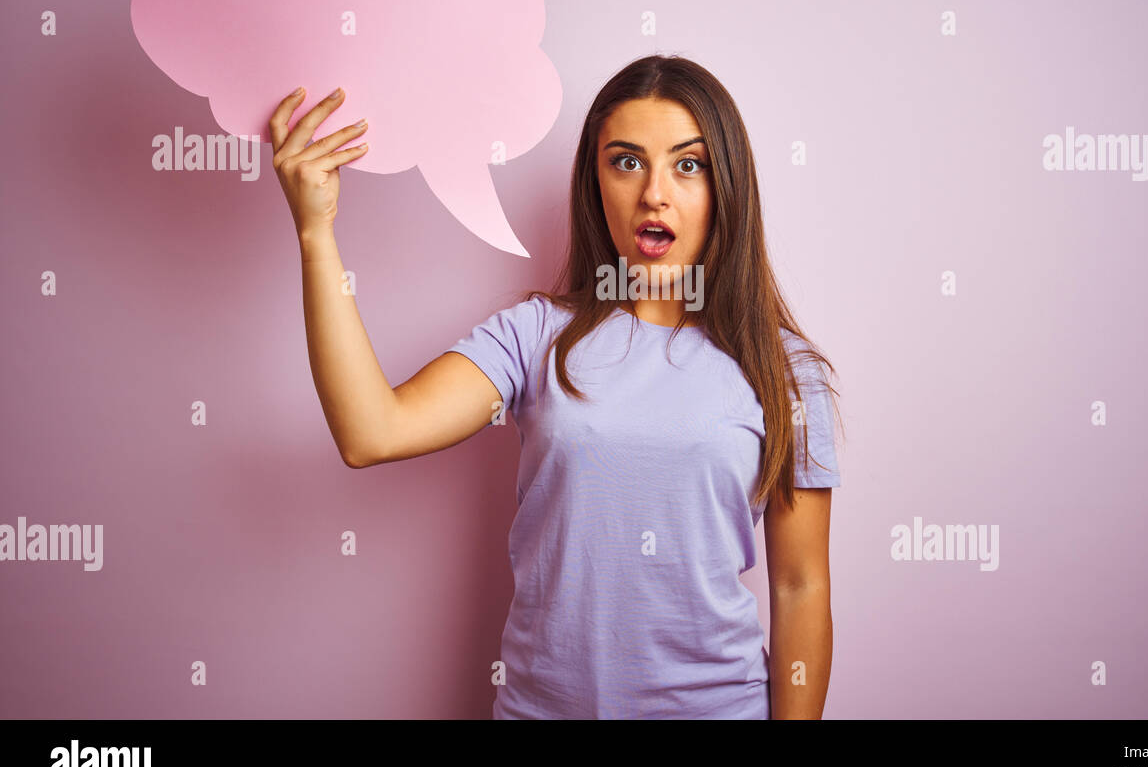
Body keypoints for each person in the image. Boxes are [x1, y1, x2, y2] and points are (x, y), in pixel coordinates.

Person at [269, 54, 842, 719]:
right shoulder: (536, 336)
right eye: (626, 161)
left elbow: (801, 587)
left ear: (726, 185)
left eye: (689, 164)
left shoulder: (785, 371)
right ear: (594, 180)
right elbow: (371, 431)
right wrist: (316, 234)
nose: (654, 191)